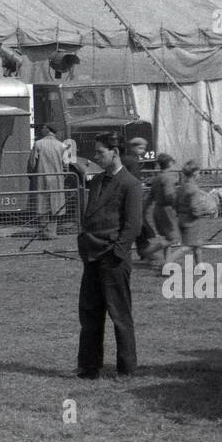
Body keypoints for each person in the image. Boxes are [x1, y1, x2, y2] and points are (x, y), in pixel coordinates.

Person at [74, 131, 144, 379]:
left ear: (115, 152)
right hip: (92, 256)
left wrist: (117, 251)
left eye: (100, 152)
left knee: (119, 315)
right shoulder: (97, 181)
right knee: (90, 314)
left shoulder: (131, 185)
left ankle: (126, 369)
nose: (95, 157)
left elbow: (133, 225)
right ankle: (89, 367)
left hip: (113, 258)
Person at [28, 122, 69, 237]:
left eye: (43, 127)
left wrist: (31, 175)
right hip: (57, 180)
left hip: (41, 178)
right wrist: (62, 176)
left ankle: (44, 232)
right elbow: (66, 166)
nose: (41, 129)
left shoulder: (38, 144)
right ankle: (52, 231)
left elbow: (32, 163)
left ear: (48, 129)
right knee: (55, 206)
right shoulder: (62, 146)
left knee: (42, 205)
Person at [175, 162, 220, 264]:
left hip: (182, 218)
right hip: (190, 221)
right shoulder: (193, 189)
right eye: (199, 173)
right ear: (195, 173)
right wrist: (204, 212)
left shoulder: (182, 186)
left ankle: (200, 266)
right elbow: (194, 208)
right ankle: (168, 262)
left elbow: (176, 202)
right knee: (187, 246)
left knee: (197, 244)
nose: (200, 175)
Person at [144, 152, 180, 262]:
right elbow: (170, 196)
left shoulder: (157, 177)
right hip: (167, 210)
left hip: (158, 210)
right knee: (174, 239)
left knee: (167, 237)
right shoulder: (168, 178)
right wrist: (178, 207)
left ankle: (167, 265)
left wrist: (144, 208)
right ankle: (148, 251)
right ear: (169, 163)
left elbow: (150, 196)